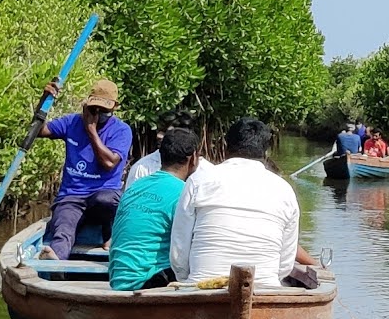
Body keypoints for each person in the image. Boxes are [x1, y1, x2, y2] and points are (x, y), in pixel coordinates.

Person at [170, 117, 317, 286]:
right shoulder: (285, 190)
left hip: (203, 289)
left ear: (225, 147)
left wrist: (187, 280)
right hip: (264, 290)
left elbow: (179, 250)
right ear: (265, 153)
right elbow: (285, 263)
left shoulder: (198, 180)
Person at [33, 78, 130, 260]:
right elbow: (38, 131)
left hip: (103, 196)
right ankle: (56, 261)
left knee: (106, 199)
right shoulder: (72, 122)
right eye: (94, 109)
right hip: (72, 196)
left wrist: (91, 130)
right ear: (86, 105)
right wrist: (44, 100)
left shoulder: (122, 130)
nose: (98, 114)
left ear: (114, 107)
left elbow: (109, 164)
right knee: (63, 227)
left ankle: (110, 235)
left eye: (104, 111)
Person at [108, 127, 198, 291]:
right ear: (193, 159)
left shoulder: (136, 186)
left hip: (117, 280)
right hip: (150, 282)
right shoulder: (184, 192)